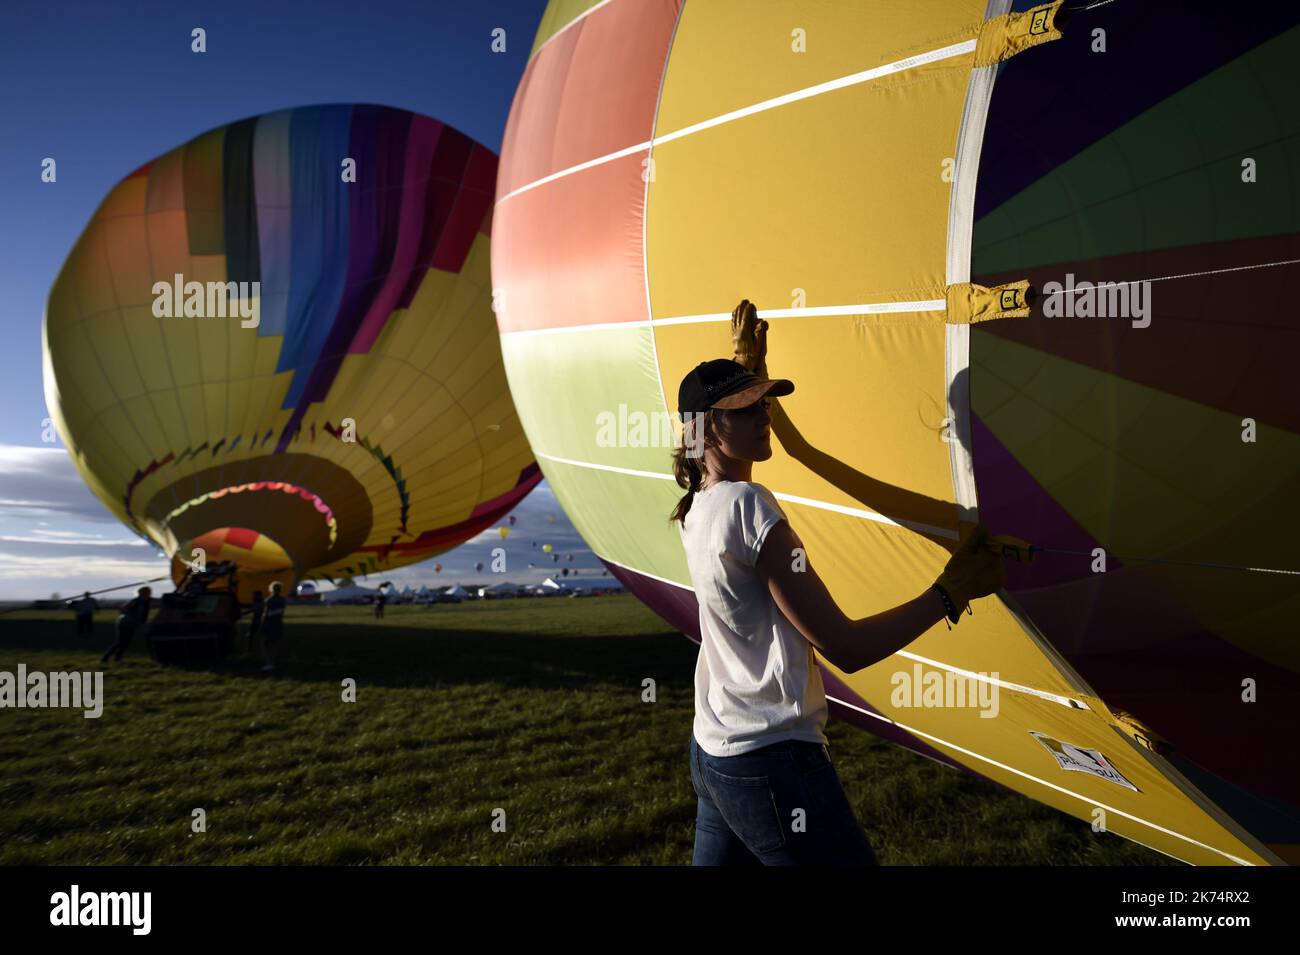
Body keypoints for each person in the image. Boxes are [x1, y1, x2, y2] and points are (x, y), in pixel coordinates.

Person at [671, 300, 1005, 866]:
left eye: (763, 402)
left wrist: (741, 368)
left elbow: (732, 445)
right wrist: (952, 590)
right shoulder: (749, 505)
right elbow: (845, 649)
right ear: (706, 428)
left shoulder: (697, 506)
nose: (764, 415)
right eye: (746, 409)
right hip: (774, 763)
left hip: (715, 753)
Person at [100, 587, 152, 665]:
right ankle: (105, 658)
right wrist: (132, 617)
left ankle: (117, 658)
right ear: (142, 593)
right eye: (148, 592)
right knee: (120, 641)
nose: (149, 593)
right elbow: (123, 610)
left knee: (126, 642)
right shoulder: (135, 601)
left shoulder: (145, 601)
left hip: (132, 624)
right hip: (125, 623)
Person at [260, 582, 286, 672]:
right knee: (275, 644)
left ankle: (268, 662)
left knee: (265, 644)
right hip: (278, 623)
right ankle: (272, 662)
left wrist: (263, 624)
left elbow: (266, 614)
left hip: (269, 624)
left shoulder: (269, 600)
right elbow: (281, 613)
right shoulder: (282, 600)